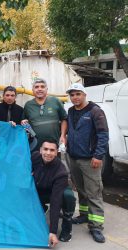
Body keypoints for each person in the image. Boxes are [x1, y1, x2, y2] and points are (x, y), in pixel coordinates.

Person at [65, 83, 109, 243]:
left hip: (90, 160)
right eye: (72, 95)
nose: (75, 97)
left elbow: (103, 135)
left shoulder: (95, 111)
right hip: (74, 157)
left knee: (94, 193)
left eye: (78, 94)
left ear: (84, 94)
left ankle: (96, 226)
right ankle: (84, 215)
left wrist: (98, 156)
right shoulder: (70, 111)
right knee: (81, 190)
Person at [31, 139, 76, 247]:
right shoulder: (34, 157)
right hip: (39, 190)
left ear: (56, 152)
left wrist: (53, 232)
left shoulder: (61, 172)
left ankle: (67, 225)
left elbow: (55, 202)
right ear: (41, 150)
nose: (48, 153)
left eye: (52, 150)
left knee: (68, 196)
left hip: (56, 192)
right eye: (45, 149)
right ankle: (41, 208)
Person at [22, 78, 67, 151]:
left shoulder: (55, 101)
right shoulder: (28, 105)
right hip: (35, 147)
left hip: (54, 146)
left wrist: (63, 135)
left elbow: (64, 119)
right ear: (32, 90)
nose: (39, 89)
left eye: (42, 87)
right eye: (36, 87)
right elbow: (25, 124)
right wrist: (26, 125)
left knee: (54, 162)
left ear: (47, 89)